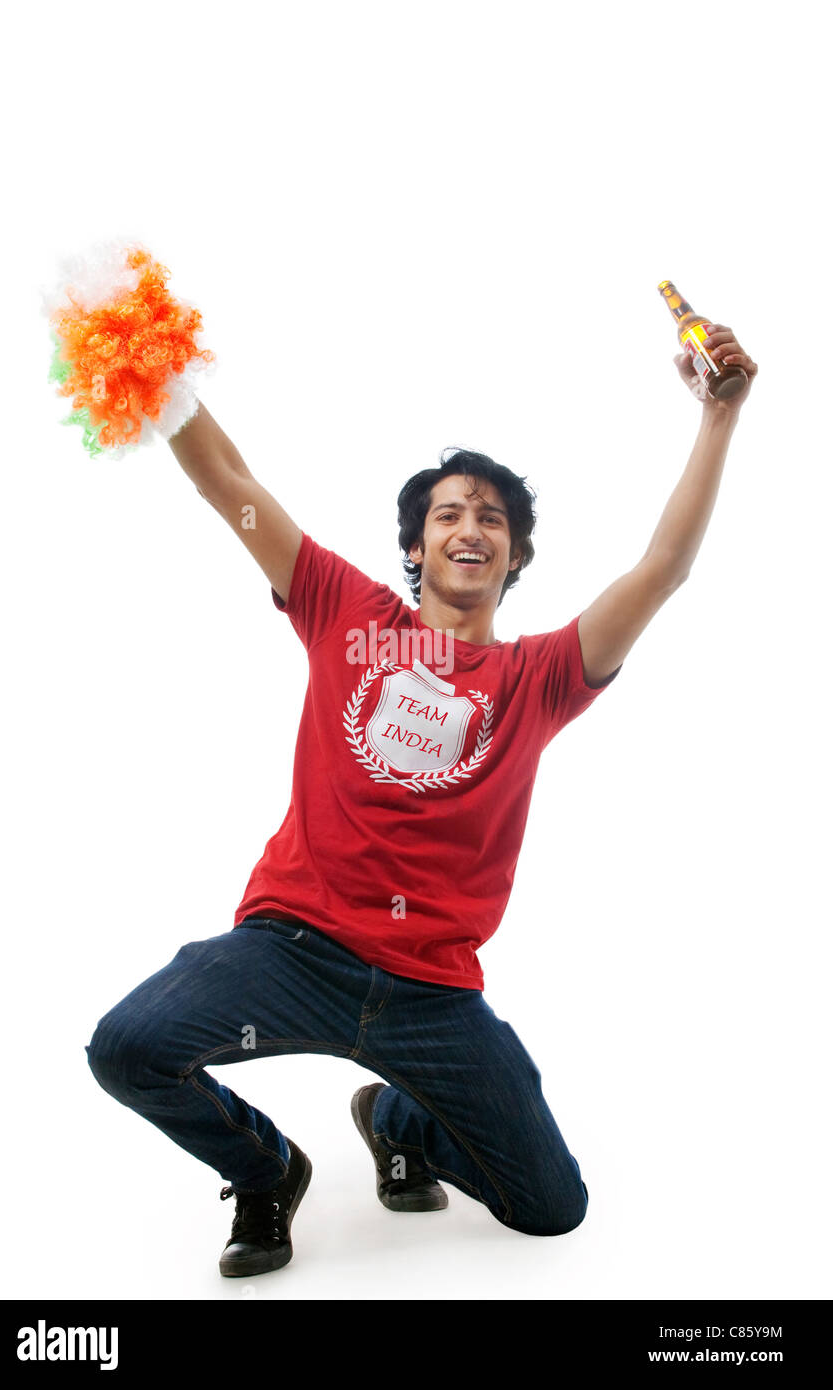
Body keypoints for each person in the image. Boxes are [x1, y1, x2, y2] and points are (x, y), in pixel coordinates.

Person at [85, 324, 757, 1276]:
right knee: (127, 1047)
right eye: (448, 514)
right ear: (416, 543)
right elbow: (229, 483)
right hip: (291, 951)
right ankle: (267, 1169)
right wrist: (152, 369)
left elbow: (663, 570)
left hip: (430, 990)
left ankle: (399, 1117)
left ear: (514, 554)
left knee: (551, 1210)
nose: (470, 528)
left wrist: (718, 416)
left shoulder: (543, 676)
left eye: (491, 518)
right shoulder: (345, 610)